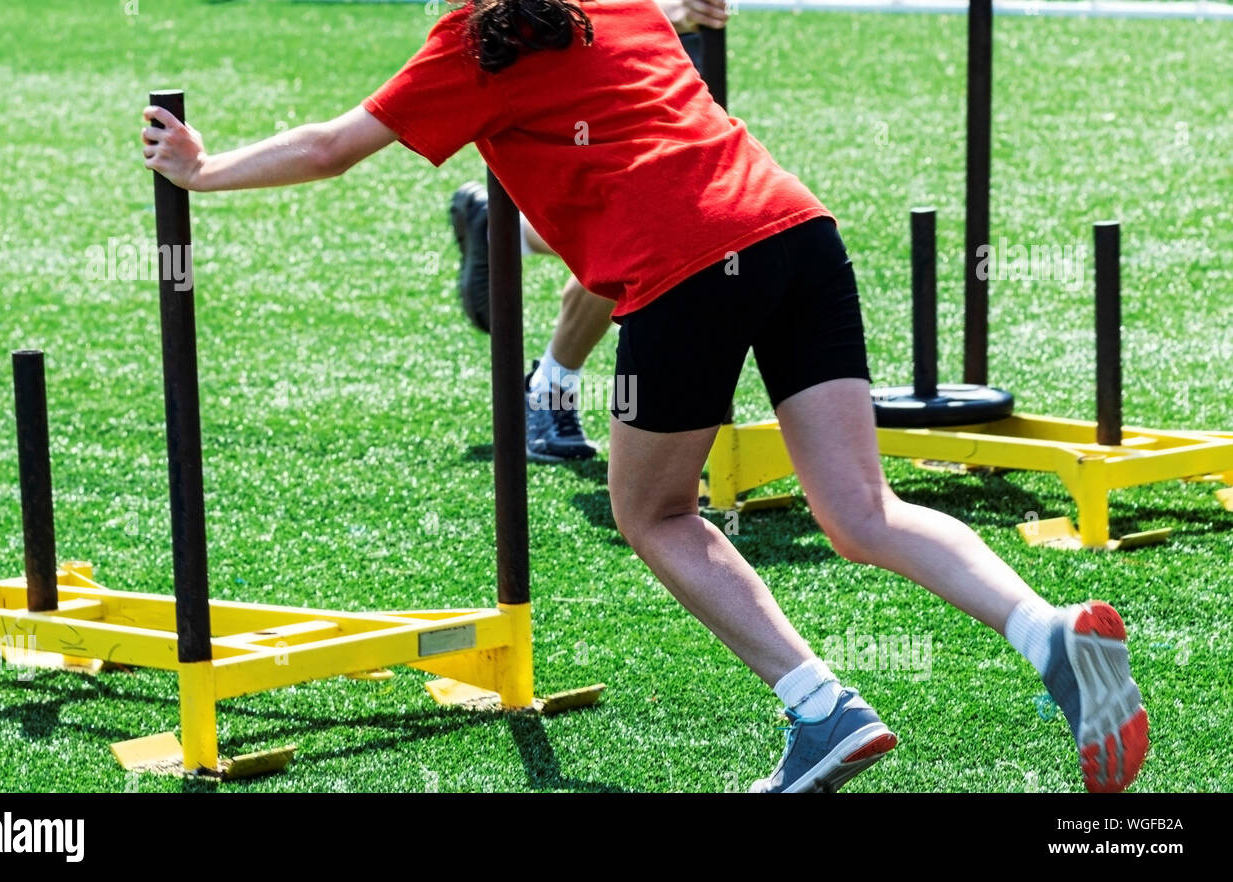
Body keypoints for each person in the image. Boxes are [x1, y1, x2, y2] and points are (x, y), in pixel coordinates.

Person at [141, 0, 1149, 793]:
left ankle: (820, 709)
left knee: (653, 510)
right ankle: (1044, 631)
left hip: (681, 275)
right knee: (862, 511)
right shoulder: (607, 5)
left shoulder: (468, 48)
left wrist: (206, 168)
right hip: (799, 233)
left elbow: (330, 147)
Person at [449, 0, 729, 464]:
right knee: (635, 222)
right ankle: (549, 391)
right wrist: (659, 12)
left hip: (667, 47)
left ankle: (506, 233)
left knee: (666, 222)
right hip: (605, 44)